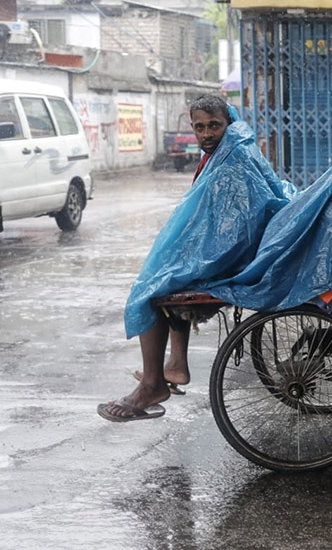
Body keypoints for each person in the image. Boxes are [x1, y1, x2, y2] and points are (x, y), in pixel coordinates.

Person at [98, 94, 236, 421]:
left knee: (151, 292)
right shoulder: (221, 156)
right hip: (224, 252)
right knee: (166, 273)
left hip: (231, 260)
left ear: (229, 123)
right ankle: (175, 365)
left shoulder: (232, 159)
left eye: (214, 125)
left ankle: (152, 384)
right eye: (199, 127)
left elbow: (231, 223)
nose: (207, 134)